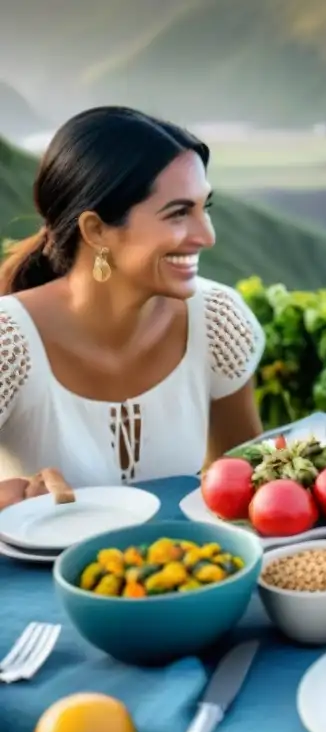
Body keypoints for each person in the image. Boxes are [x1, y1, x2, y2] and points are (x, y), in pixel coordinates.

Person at [0, 106, 265, 507]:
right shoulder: (9, 344)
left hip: (181, 566)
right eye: (178, 213)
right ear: (97, 230)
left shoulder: (218, 320)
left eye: (203, 208)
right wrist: (9, 496)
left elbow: (247, 488)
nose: (206, 236)